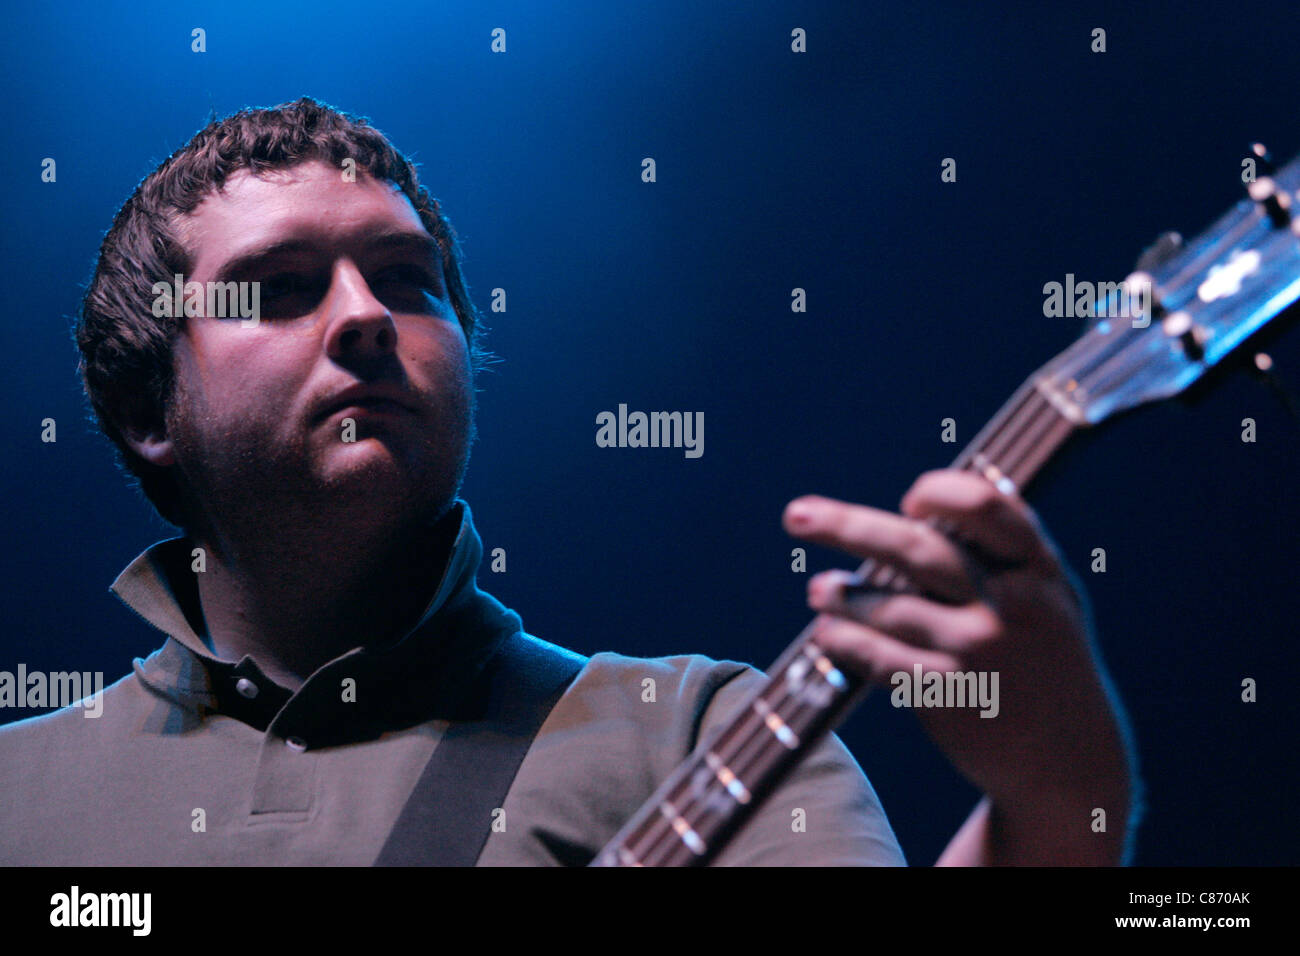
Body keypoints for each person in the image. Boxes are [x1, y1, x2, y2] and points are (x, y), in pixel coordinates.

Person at [0, 97, 1136, 866]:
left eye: (406, 280)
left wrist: (1053, 797)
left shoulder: (697, 732)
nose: (364, 317)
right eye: (281, 287)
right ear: (152, 410)